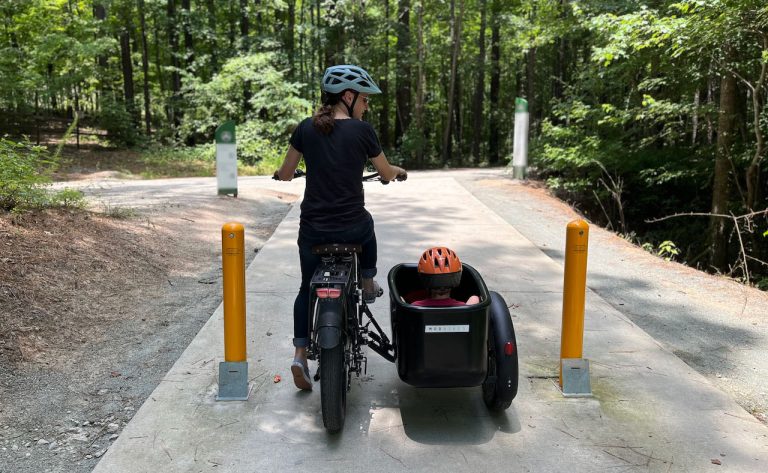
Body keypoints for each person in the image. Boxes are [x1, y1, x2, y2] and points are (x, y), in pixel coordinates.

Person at [274, 64, 407, 390]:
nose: (366, 106)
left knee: (307, 286)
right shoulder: (363, 132)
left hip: (313, 232)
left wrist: (279, 175)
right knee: (368, 225)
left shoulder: (305, 128)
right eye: (364, 99)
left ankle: (300, 354)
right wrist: (397, 171)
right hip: (352, 230)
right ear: (348, 97)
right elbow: (386, 172)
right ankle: (367, 280)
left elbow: (288, 172)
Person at [411, 247, 480, 307]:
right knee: (474, 298)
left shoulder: (415, 306)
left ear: (424, 279)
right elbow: (475, 299)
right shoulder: (463, 307)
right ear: (456, 278)